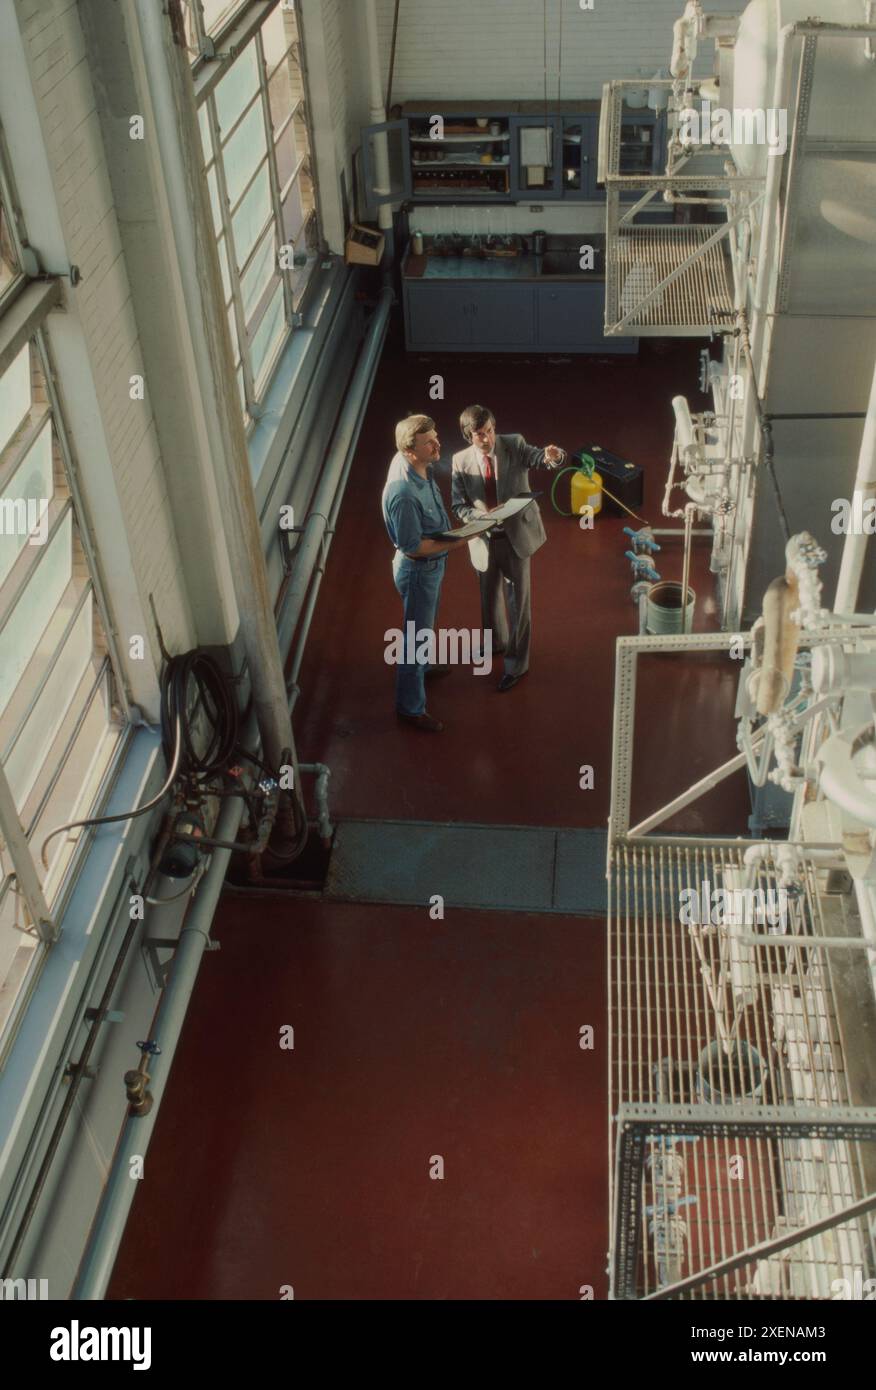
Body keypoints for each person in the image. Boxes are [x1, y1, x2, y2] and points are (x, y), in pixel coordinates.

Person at [451, 405, 565, 691]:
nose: (487, 438)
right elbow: (458, 504)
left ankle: (516, 664)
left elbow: (539, 458)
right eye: (480, 435)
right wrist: (480, 517)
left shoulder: (514, 444)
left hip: (516, 538)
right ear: (469, 436)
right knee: (488, 601)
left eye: (489, 431)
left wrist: (554, 457)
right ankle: (496, 645)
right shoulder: (459, 462)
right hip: (485, 541)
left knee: (519, 604)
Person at [381, 414, 464, 732]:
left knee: (422, 628)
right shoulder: (403, 493)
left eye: (436, 436)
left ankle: (424, 666)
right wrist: (461, 540)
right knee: (413, 640)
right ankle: (410, 708)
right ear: (409, 451)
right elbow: (413, 547)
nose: (437, 444)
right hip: (419, 570)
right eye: (428, 442)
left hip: (430, 568)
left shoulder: (415, 464)